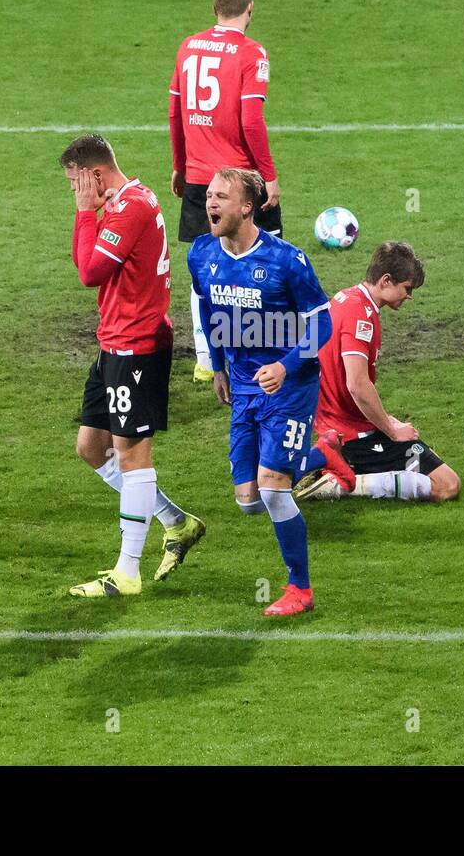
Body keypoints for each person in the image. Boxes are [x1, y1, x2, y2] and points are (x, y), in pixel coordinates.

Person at [61, 134, 205, 598]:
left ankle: (127, 572)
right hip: (114, 343)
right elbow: (87, 262)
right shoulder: (128, 201)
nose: (75, 193)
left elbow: (88, 272)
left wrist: (86, 212)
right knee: (91, 447)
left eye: (75, 184)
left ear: (94, 175)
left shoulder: (129, 209)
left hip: (136, 346)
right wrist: (90, 214)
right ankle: (176, 522)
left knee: (132, 455)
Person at [187, 167, 331, 616]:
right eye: (209, 195)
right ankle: (325, 453)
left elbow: (322, 323)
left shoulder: (288, 261)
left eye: (221, 197)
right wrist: (218, 367)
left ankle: (300, 590)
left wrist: (286, 367)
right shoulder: (202, 253)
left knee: (273, 492)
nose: (210, 203)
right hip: (244, 386)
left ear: (246, 207)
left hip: (291, 387)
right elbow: (211, 308)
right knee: (248, 501)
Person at [170, 0, 282, 382]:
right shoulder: (253, 53)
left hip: (201, 179)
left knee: (204, 266)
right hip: (241, 181)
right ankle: (265, 350)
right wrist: (267, 176)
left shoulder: (188, 48)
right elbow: (251, 120)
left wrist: (181, 166)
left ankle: (205, 359)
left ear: (215, 9)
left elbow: (175, 112)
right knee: (268, 258)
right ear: (249, 8)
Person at [295, 241, 460, 503]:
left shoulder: (345, 298)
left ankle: (338, 463)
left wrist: (385, 419)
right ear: (386, 281)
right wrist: (392, 431)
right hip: (353, 434)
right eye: (407, 288)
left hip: (335, 423)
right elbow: (357, 386)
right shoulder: (361, 317)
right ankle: (342, 482)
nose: (409, 296)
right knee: (446, 485)